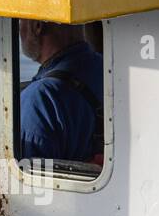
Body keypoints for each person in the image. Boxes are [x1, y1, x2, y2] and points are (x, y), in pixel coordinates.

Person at [16, 20, 103, 164]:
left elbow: (26, 182)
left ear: (38, 26)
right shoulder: (109, 70)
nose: (19, 30)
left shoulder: (38, 100)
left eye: (21, 21)